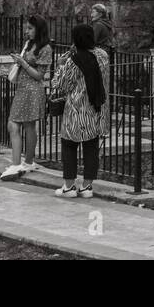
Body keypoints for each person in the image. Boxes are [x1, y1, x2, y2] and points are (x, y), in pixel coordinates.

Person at [49, 23, 109, 198]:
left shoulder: (73, 61)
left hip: (77, 109)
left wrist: (60, 65)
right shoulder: (103, 56)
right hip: (97, 108)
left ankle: (69, 187)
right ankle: (87, 187)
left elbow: (60, 85)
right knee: (91, 147)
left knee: (69, 146)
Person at [1, 14, 53, 179]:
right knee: (27, 126)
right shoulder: (29, 44)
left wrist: (23, 63)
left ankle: (17, 164)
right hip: (23, 88)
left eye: (30, 28)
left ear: (39, 29)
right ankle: (27, 162)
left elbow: (40, 75)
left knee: (14, 124)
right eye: (27, 28)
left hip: (32, 90)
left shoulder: (45, 48)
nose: (27, 31)